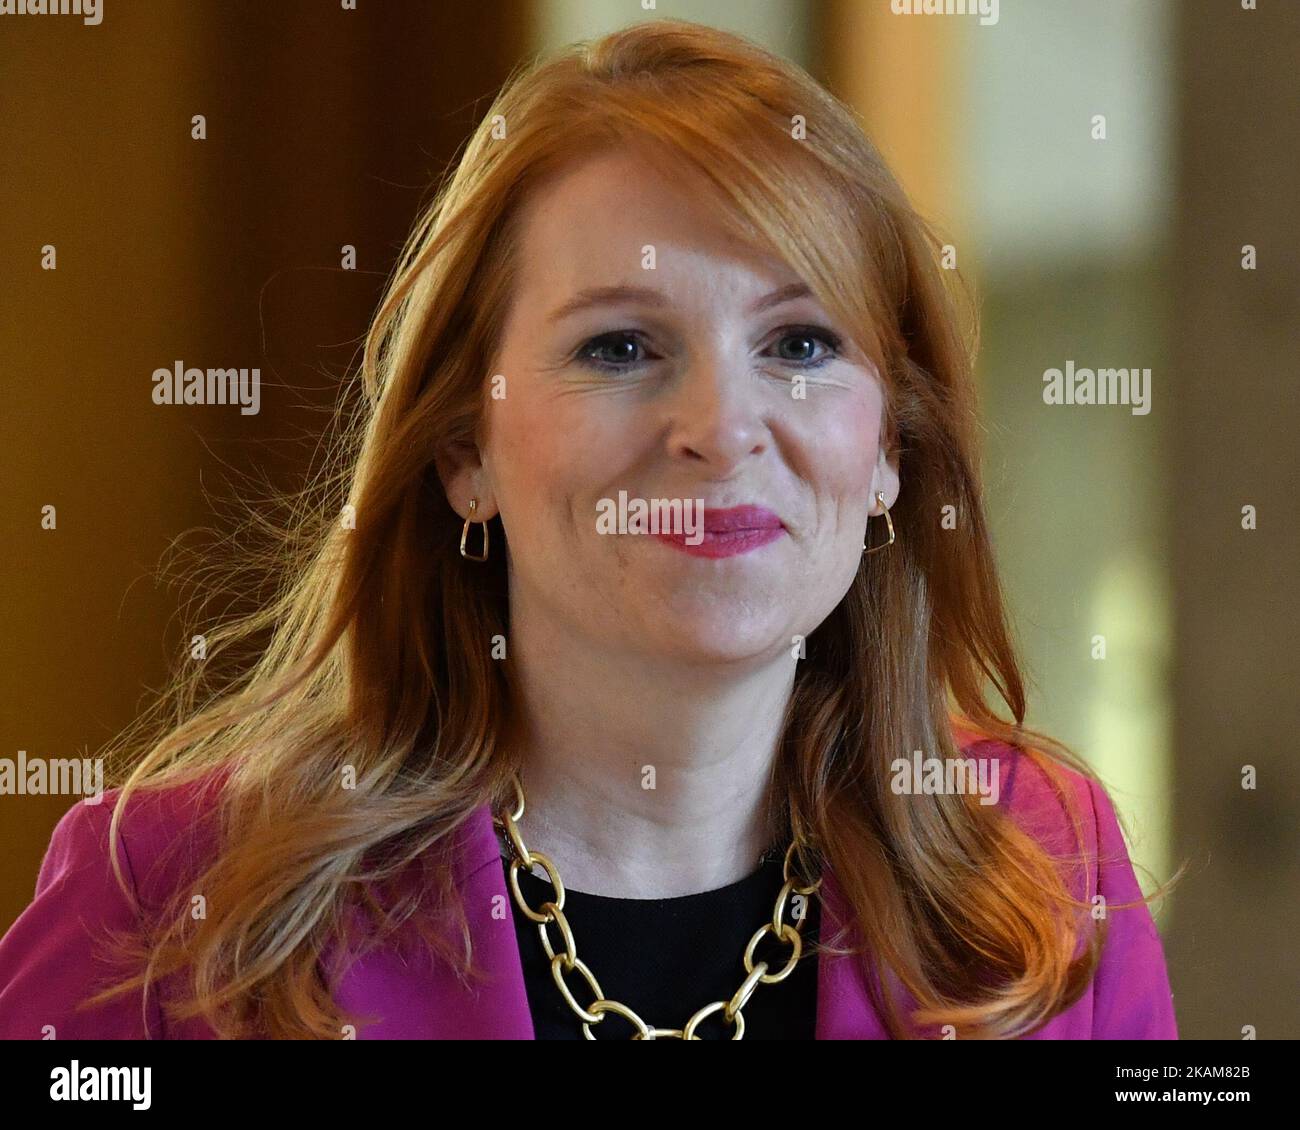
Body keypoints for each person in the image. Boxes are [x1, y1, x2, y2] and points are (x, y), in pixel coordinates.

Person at [0, 18, 1177, 1040]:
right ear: (463, 451)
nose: (720, 428)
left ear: (886, 450)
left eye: (799, 344)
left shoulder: (1041, 868)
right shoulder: (168, 894)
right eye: (619, 347)